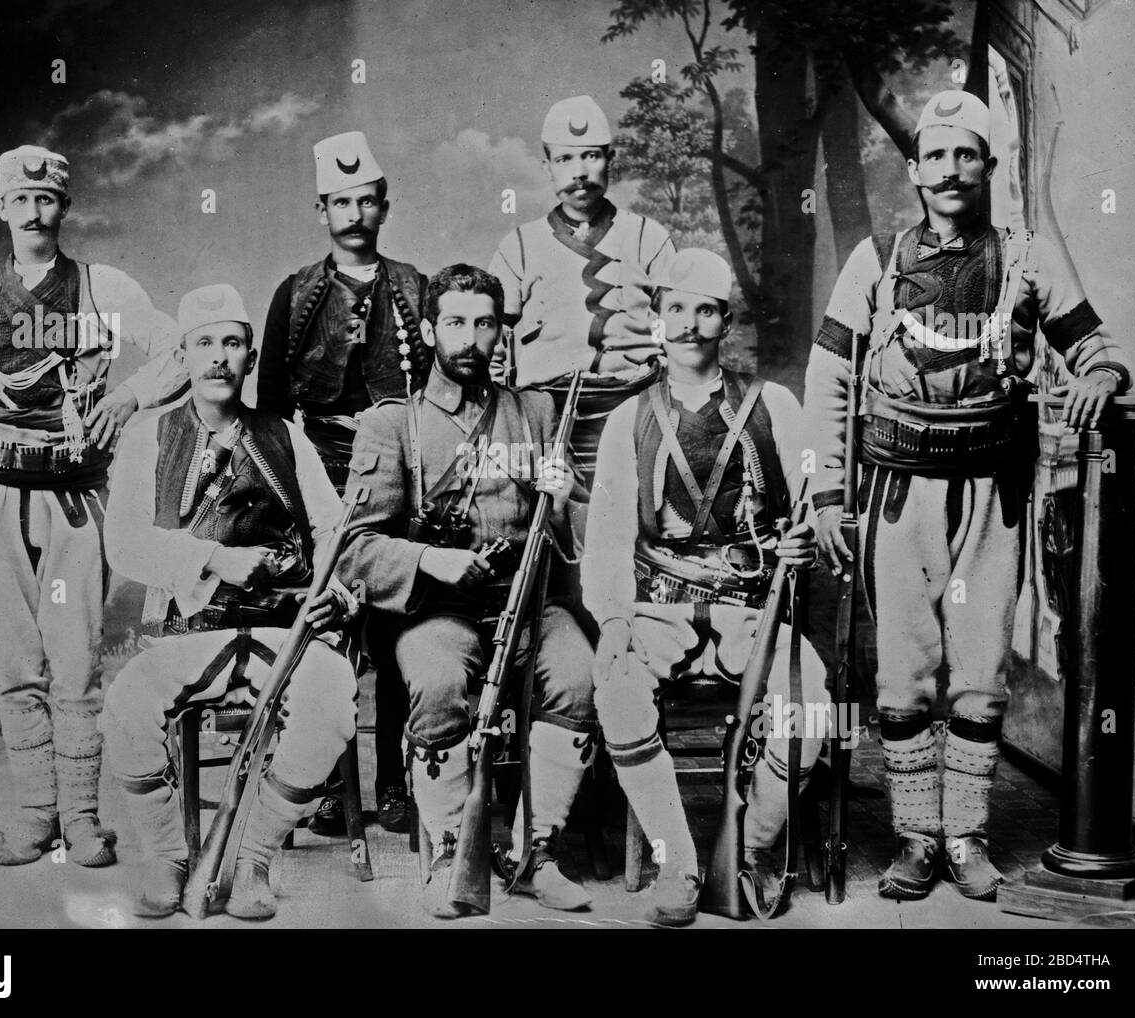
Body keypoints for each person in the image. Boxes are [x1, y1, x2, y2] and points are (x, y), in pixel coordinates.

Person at [802, 91, 1130, 902]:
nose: (951, 170)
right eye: (936, 157)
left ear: (988, 167)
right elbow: (827, 379)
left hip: (993, 493)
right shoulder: (874, 260)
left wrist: (1099, 375)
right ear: (914, 172)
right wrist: (824, 495)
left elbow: (1098, 347)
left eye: (967, 155)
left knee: (979, 671)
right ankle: (916, 839)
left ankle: (968, 838)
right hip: (897, 490)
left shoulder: (1026, 257)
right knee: (906, 675)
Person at [0, 145, 186, 867]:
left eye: (47, 199)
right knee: (12, 664)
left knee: (75, 662)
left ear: (65, 207)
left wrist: (123, 400)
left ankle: (83, 820)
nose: (34, 211)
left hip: (73, 503)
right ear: (1, 209)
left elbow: (182, 351)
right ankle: (34, 816)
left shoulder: (104, 289)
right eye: (20, 200)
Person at [339, 264, 598, 919]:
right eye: (455, 322)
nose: (469, 338)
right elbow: (356, 550)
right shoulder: (393, 425)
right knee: (436, 679)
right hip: (439, 611)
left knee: (578, 673)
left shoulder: (536, 412)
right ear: (430, 329)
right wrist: (431, 561)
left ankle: (538, 854)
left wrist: (568, 502)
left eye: (484, 323)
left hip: (531, 604)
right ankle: (456, 850)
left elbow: (590, 533)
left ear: (499, 331)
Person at [101, 284, 358, 919]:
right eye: (205, 344)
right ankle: (167, 856)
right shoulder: (147, 438)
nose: (219, 357)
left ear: (250, 356)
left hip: (282, 630)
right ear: (184, 357)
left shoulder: (286, 437)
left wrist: (336, 592)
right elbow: (124, 544)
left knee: (329, 704)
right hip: (188, 630)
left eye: (234, 344)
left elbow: (333, 531)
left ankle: (253, 859)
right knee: (127, 707)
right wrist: (215, 560)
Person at [583, 249, 823, 925]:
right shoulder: (628, 420)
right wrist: (611, 622)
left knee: (815, 702)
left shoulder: (773, 404)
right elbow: (605, 535)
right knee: (619, 689)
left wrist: (798, 545)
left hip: (752, 605)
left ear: (727, 320)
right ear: (659, 318)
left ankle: (745, 854)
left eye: (706, 310)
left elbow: (806, 507)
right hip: (658, 606)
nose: (690, 325)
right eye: (676, 309)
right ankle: (679, 864)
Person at [255, 131, 426, 836]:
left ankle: (393, 784)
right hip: (319, 473)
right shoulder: (295, 295)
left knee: (392, 629)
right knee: (326, 627)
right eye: (340, 202)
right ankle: (327, 787)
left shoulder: (415, 288)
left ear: (384, 206)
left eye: (367, 201)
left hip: (401, 474)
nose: (354, 213)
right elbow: (266, 413)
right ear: (320, 209)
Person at [488, 95, 675, 486]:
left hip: (635, 407)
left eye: (591, 156)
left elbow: (678, 327)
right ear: (547, 167)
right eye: (565, 160)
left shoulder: (648, 237)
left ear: (611, 159)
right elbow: (494, 342)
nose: (580, 172)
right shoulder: (520, 245)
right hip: (544, 416)